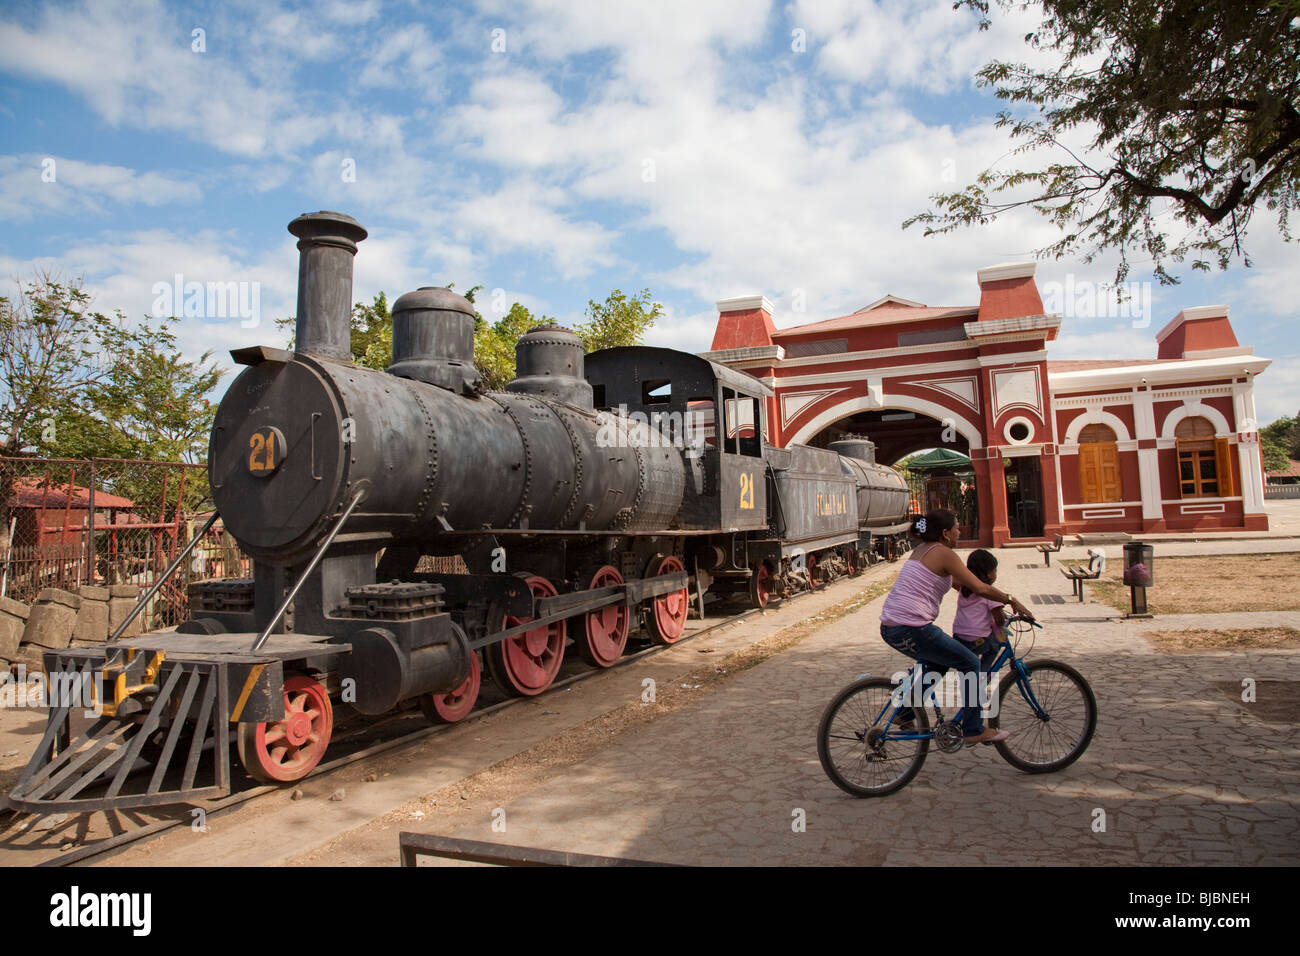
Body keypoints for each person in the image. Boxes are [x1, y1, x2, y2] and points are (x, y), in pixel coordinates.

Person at [879, 509, 1033, 746]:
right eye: (957, 527)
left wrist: (992, 601)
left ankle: (905, 713)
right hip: (912, 627)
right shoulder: (944, 553)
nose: (959, 531)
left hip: (891, 627)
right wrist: (1010, 599)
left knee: (939, 663)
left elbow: (963, 586)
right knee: (971, 662)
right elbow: (979, 587)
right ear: (945, 533)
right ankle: (973, 729)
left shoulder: (922, 550)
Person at [953, 549, 1009, 680]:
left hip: (959, 636)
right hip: (977, 639)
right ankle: (981, 677)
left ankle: (973, 679)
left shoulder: (964, 588)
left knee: (969, 662)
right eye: (995, 570)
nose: (995, 574)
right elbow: (999, 619)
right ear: (989, 574)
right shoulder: (988, 592)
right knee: (994, 646)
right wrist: (1002, 622)